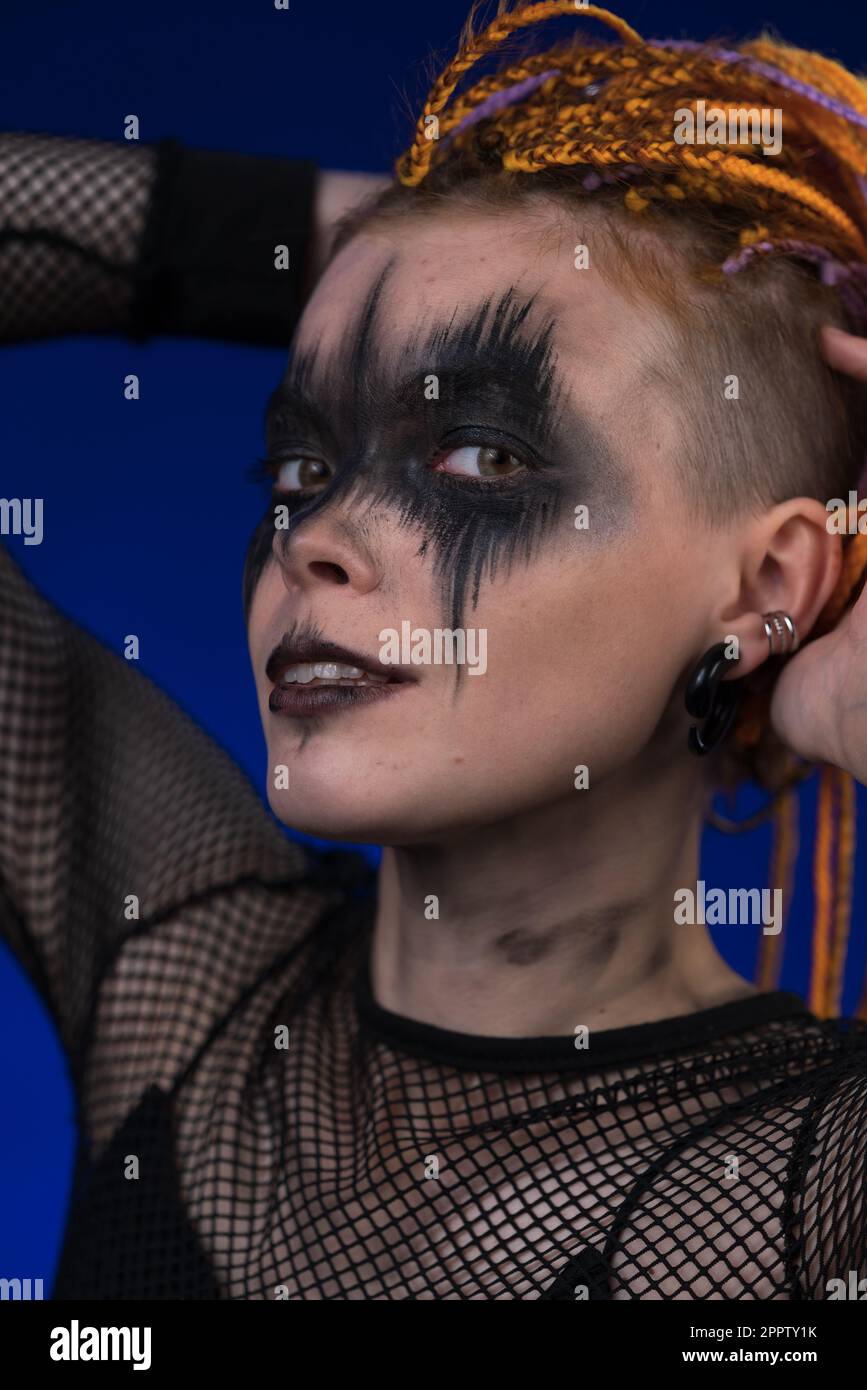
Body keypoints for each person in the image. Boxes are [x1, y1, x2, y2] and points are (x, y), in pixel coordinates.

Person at [2, 0, 867, 1301]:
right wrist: (409, 236)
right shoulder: (186, 982)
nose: (320, 535)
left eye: (481, 456)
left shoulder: (821, 1183)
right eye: (303, 462)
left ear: (767, 589)